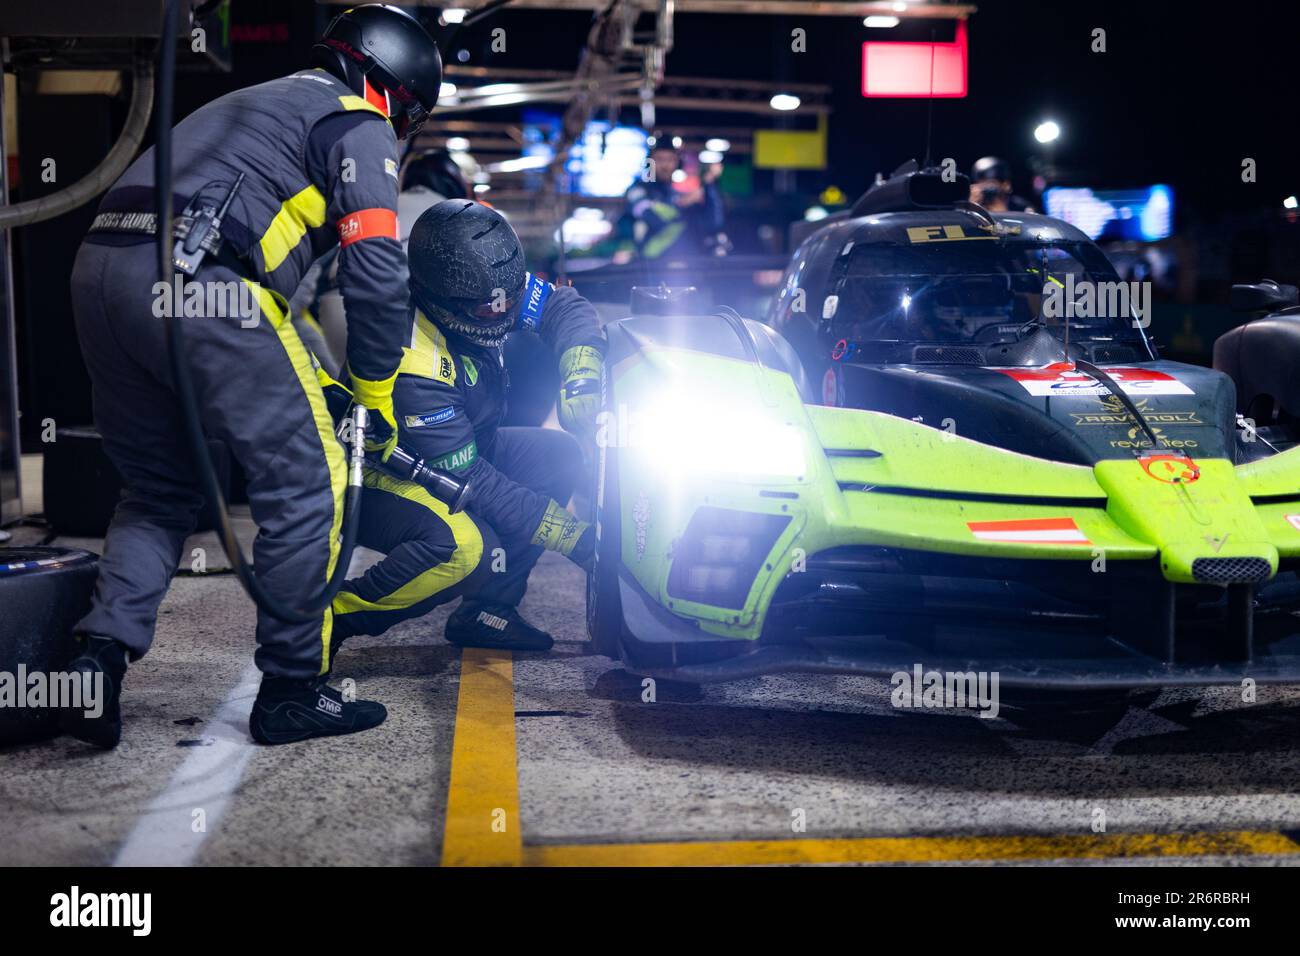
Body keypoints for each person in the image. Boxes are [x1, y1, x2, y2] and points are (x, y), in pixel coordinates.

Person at [62, 5, 442, 748]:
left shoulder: (258, 101)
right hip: (199, 276)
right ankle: (294, 689)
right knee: (311, 481)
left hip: (99, 271)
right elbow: (374, 277)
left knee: (160, 491)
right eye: (409, 118)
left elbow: (289, 296)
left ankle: (94, 664)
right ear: (393, 92)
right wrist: (370, 395)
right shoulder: (355, 119)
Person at [327, 199, 603, 655]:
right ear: (438, 298)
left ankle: (486, 612)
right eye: (489, 311)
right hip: (376, 477)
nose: (504, 312)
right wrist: (573, 538)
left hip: (459, 450)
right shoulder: (412, 364)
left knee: (558, 457)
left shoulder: (490, 291)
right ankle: (333, 618)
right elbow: (476, 482)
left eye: (510, 300)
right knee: (466, 549)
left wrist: (581, 374)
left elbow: (561, 305)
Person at [618, 138, 727, 261]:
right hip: (646, 266)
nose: (665, 165)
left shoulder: (679, 194)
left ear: (677, 163)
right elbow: (652, 217)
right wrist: (681, 203)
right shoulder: (638, 190)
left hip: (682, 268)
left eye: (670, 159)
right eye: (659, 159)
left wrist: (709, 185)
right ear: (650, 162)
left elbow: (713, 223)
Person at [969, 156, 1035, 213]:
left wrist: (1004, 214)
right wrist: (969, 207)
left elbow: (1032, 225)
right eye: (981, 186)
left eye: (991, 185)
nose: (985, 189)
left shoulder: (1021, 207)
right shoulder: (974, 204)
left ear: (1006, 185)